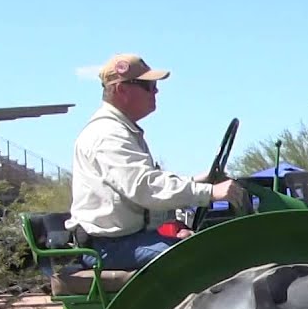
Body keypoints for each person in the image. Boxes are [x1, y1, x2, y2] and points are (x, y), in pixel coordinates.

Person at [68, 53, 243, 271]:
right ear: (122, 90)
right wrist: (209, 193)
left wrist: (202, 180)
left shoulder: (122, 131)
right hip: (110, 248)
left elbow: (144, 185)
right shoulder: (108, 134)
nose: (156, 91)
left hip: (126, 241)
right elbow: (145, 187)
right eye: (148, 85)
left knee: (202, 248)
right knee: (206, 260)